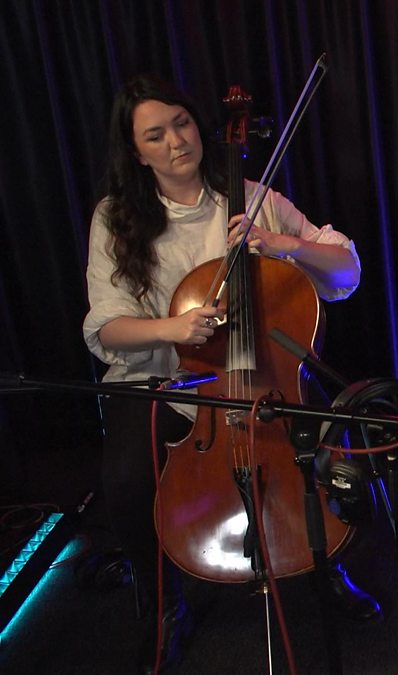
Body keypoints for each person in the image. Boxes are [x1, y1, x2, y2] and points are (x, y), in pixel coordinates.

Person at [82, 74, 378, 672]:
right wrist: (174, 330)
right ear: (136, 150)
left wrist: (282, 244)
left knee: (328, 450)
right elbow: (105, 329)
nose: (176, 143)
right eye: (155, 135)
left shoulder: (253, 195)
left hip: (261, 372)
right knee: (128, 479)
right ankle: (166, 599)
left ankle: (325, 565)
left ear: (199, 125)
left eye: (183, 124)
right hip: (168, 379)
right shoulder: (116, 218)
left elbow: (345, 271)